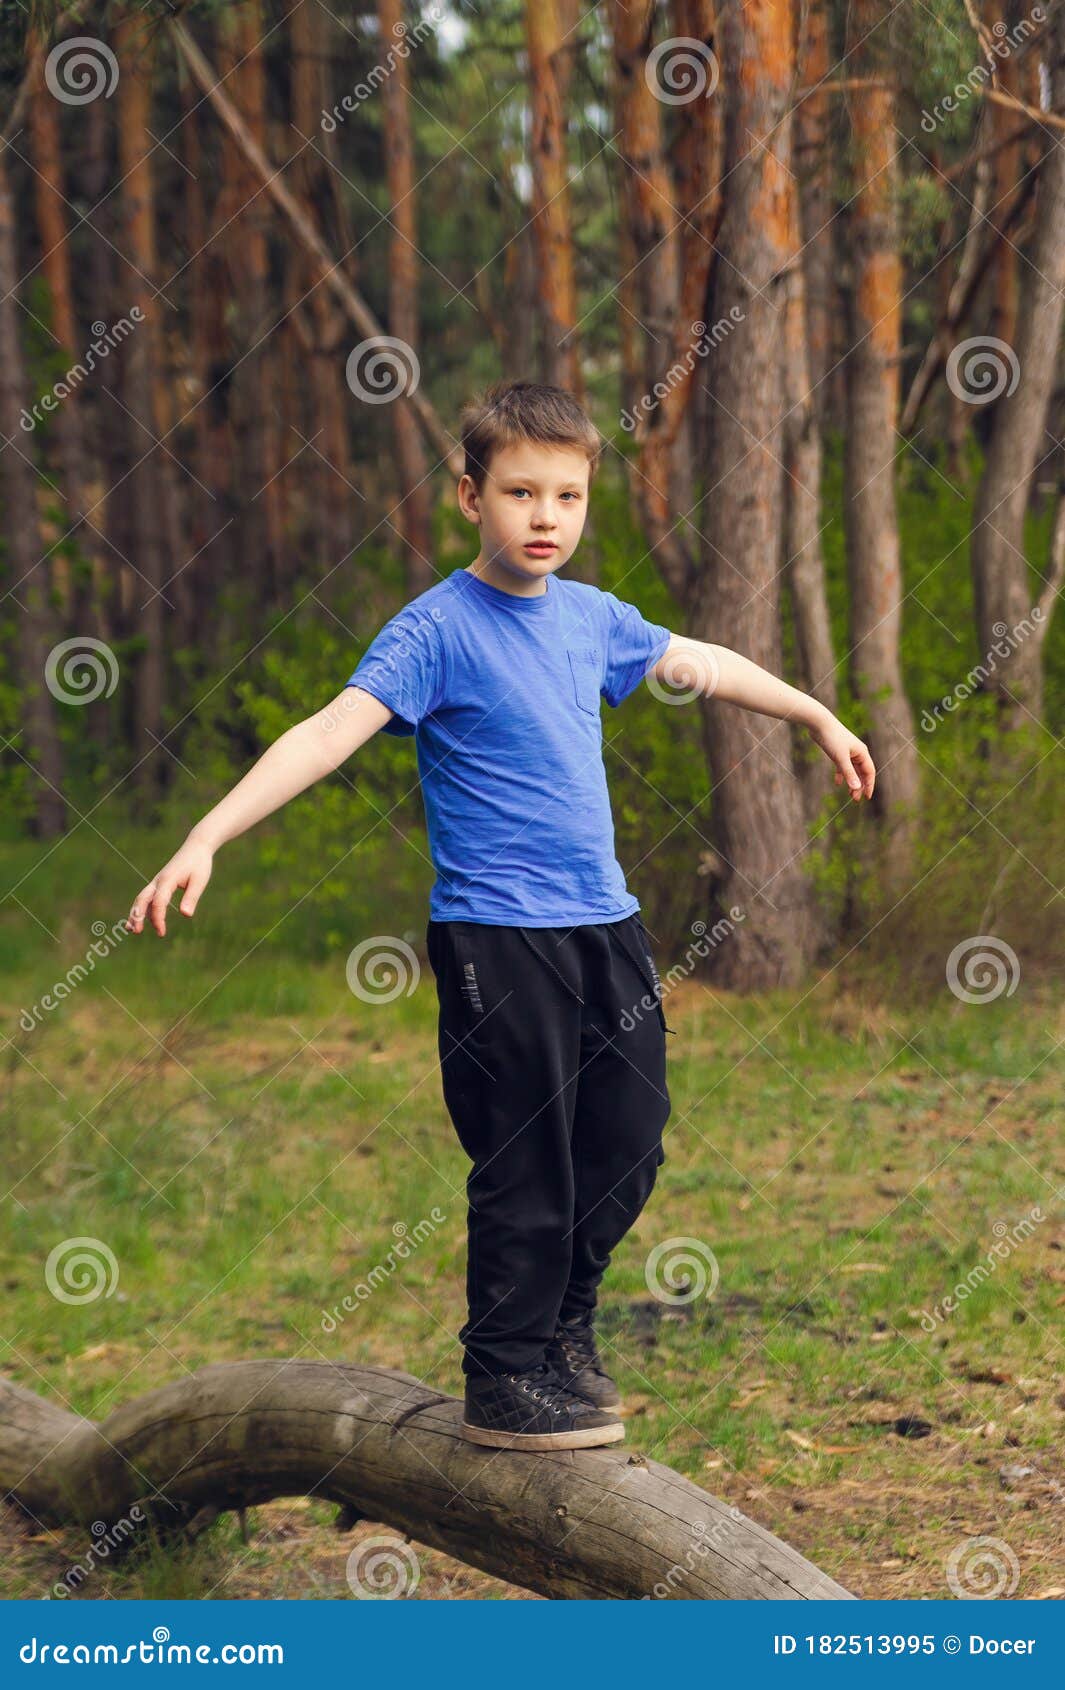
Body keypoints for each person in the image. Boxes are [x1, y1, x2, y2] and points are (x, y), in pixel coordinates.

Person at [127, 380, 875, 1453]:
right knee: (527, 1163)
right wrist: (206, 835)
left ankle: (567, 1331)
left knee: (627, 1141)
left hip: (604, 929)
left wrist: (815, 712)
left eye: (566, 497)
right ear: (470, 495)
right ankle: (504, 1371)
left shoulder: (591, 620)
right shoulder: (436, 630)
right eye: (521, 492)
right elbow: (327, 731)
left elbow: (701, 663)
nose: (544, 517)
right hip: (495, 939)